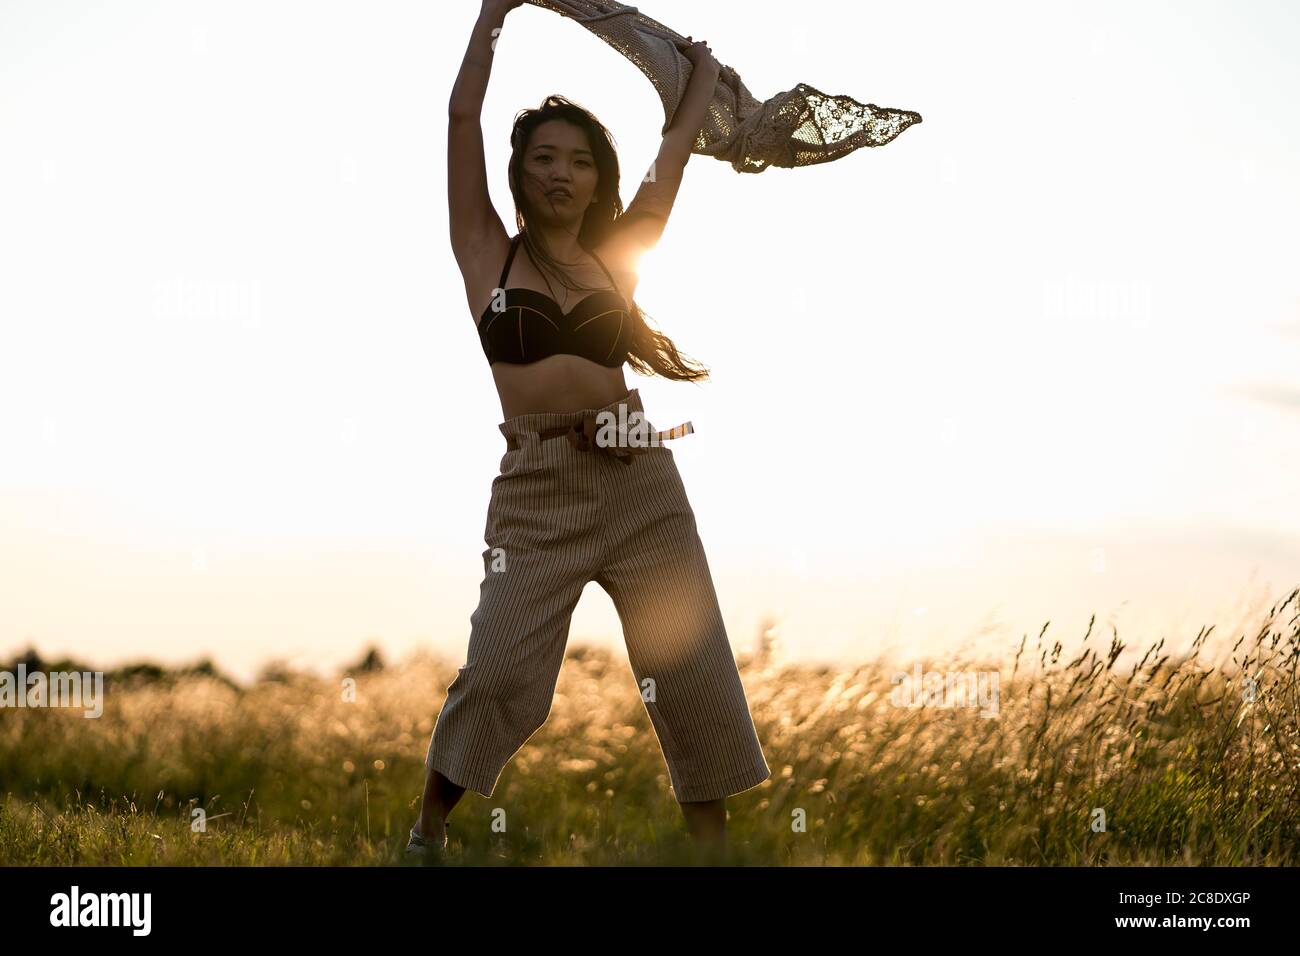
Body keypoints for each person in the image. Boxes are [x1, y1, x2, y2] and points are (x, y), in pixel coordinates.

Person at [409, 0, 770, 859]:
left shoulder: (620, 255)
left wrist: (703, 83)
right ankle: (427, 834)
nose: (562, 173)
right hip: (536, 492)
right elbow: (462, 113)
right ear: (520, 173)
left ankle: (712, 855)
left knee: (692, 674)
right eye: (545, 159)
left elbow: (672, 159)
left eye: (579, 161)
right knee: (499, 672)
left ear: (597, 178)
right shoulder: (483, 251)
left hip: (641, 482)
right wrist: (494, 14)